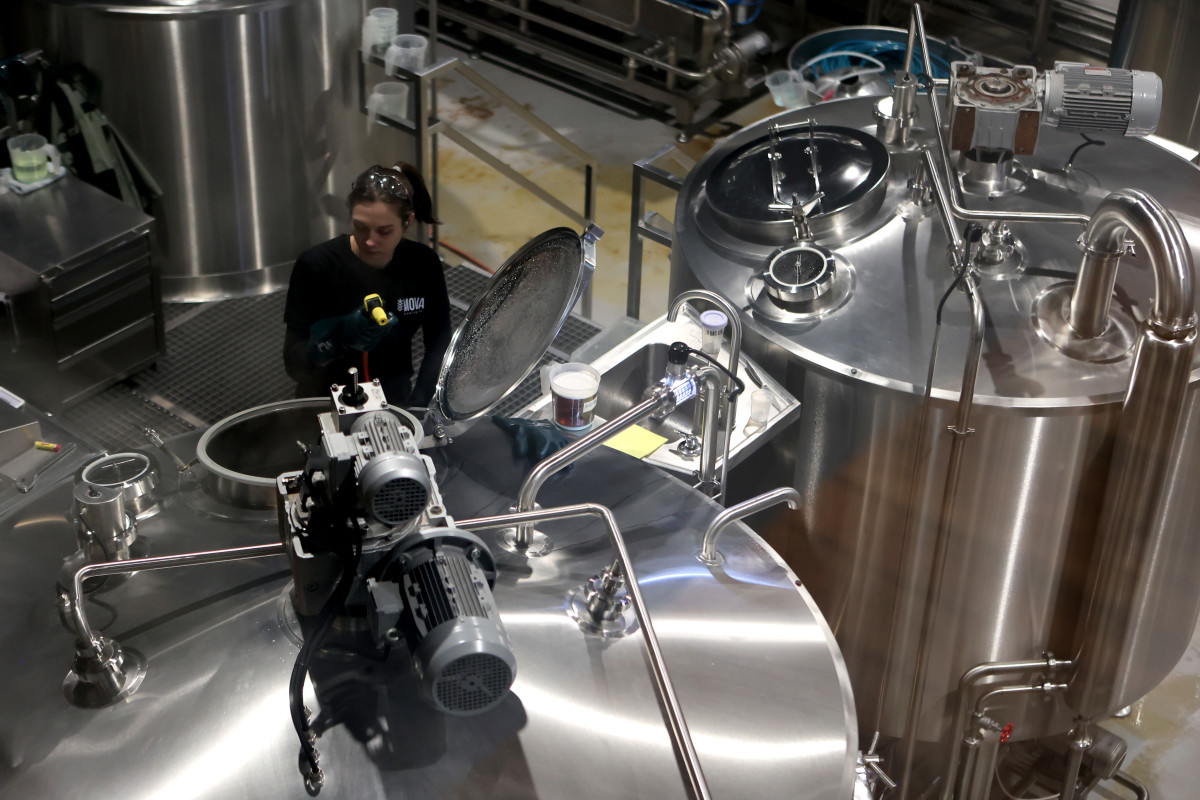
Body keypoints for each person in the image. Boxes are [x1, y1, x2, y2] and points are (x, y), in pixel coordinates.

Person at [283, 163, 451, 407]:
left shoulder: (423, 264)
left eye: (384, 231)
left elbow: (439, 342)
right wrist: (337, 338)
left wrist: (419, 404)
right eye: (361, 227)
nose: (370, 241)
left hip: (394, 401)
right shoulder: (316, 266)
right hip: (322, 404)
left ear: (407, 222)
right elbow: (293, 365)